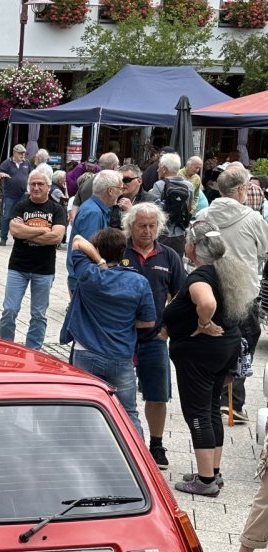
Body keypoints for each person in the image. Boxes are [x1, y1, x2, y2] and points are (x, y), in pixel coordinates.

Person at [164, 222, 257, 496]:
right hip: (224, 350)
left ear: (192, 247)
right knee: (212, 409)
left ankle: (205, 482)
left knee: (197, 414)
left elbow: (206, 303)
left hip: (199, 355)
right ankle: (213, 472)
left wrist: (204, 323)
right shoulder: (225, 269)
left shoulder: (200, 277)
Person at [65, 229, 157, 437]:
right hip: (121, 356)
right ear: (123, 251)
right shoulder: (139, 281)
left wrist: (99, 262)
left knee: (84, 410)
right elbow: (149, 321)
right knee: (128, 412)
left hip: (86, 352)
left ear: (97, 249)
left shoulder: (89, 274)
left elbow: (77, 241)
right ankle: (137, 453)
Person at [195, 166, 268, 424]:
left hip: (207, 288)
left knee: (211, 341)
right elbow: (264, 250)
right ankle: (233, 402)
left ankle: (211, 396)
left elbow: (193, 249)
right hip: (243, 292)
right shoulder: (253, 218)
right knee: (245, 341)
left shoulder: (203, 214)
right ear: (240, 190)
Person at [117, 204, 186, 468]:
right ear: (130, 226)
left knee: (157, 395)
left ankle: (156, 445)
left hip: (154, 338)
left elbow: (181, 297)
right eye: (142, 226)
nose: (147, 231)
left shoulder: (169, 256)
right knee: (118, 394)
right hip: (120, 338)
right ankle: (122, 443)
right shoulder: (119, 251)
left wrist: (167, 330)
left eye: (152, 226)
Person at [0, 171, 66, 350]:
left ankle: (33, 350)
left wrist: (26, 232)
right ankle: (5, 347)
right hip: (18, 267)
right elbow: (15, 231)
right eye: (33, 184)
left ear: (48, 187)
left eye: (40, 184)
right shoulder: (21, 206)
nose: (36, 187)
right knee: (9, 310)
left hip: (44, 269)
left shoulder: (56, 209)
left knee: (38, 315)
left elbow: (56, 237)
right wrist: (43, 230)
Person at [68, 169, 123, 294]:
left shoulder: (95, 208)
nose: (121, 193)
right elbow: (87, 247)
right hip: (85, 279)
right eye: (120, 189)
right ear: (110, 191)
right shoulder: (93, 212)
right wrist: (102, 266)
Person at [151, 152, 196, 255]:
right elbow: (189, 208)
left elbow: (154, 211)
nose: (157, 170)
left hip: (161, 234)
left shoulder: (159, 185)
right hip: (180, 233)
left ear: (164, 168)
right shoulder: (189, 186)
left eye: (159, 167)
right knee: (176, 261)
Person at [0, 144, 30, 246]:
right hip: (10, 194)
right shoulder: (7, 162)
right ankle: (3, 238)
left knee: (22, 216)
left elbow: (31, 174)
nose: (22, 155)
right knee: (7, 216)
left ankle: (20, 238)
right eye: (20, 153)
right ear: (14, 153)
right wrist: (1, 174)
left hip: (23, 194)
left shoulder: (26, 163)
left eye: (24, 153)